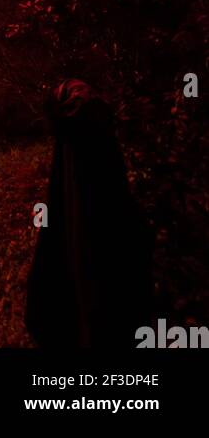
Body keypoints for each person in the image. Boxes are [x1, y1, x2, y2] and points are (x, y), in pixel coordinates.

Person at [25, 79, 153, 347]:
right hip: (102, 221)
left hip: (96, 219)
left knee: (91, 269)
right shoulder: (90, 129)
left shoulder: (74, 133)